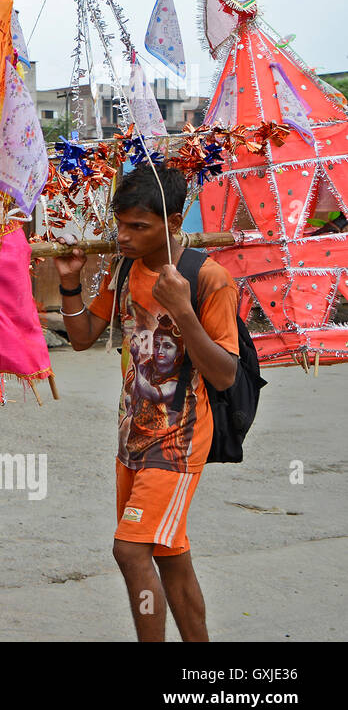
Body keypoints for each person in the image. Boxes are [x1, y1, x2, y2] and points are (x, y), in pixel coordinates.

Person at [54, 164, 238, 642]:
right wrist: (71, 283)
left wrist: (181, 309)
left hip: (178, 442)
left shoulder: (208, 278)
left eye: (139, 226)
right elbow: (80, 338)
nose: (124, 236)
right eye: (120, 224)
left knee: (130, 550)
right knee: (169, 556)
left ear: (173, 222)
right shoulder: (124, 269)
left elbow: (223, 373)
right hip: (133, 437)